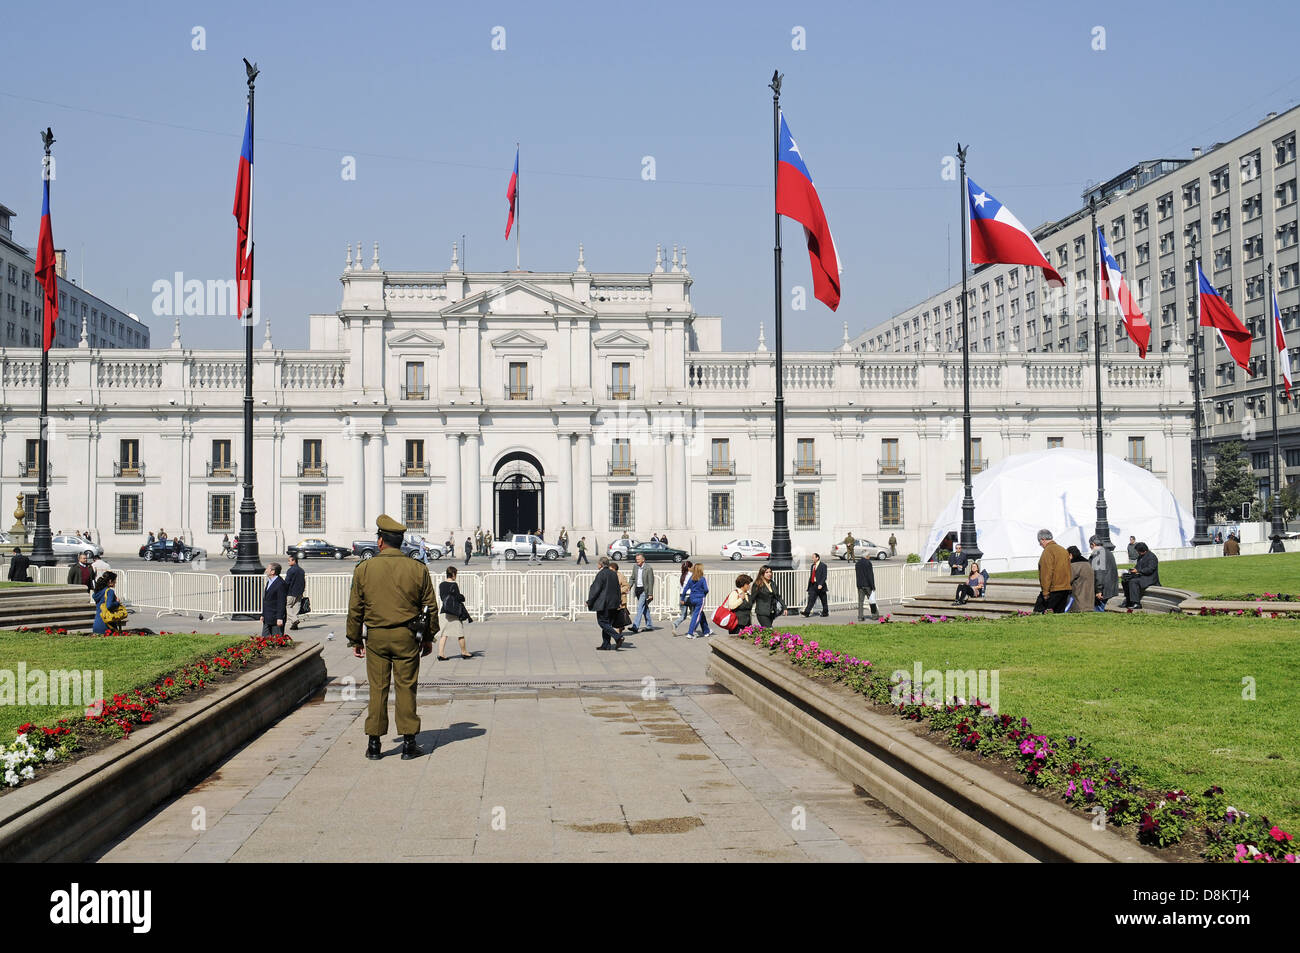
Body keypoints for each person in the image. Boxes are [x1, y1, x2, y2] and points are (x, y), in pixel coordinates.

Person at [348, 514, 440, 760]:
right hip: (407, 637)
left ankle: (375, 744)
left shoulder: (364, 568)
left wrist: (355, 639)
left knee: (377, 689)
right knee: (406, 687)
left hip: (377, 637)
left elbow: (355, 608)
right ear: (400, 543)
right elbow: (430, 605)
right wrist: (429, 636)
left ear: (380, 543)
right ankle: (409, 743)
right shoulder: (417, 568)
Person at [586, 556, 624, 651]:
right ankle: (606, 645)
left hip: (604, 604)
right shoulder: (613, 574)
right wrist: (619, 601)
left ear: (601, 564)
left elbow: (596, 589)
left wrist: (589, 601)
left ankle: (618, 637)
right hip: (613, 603)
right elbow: (617, 588)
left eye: (598, 563)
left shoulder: (601, 574)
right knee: (607, 624)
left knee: (602, 622)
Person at [437, 565, 472, 660]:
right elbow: (457, 598)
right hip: (454, 613)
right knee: (460, 633)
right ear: (453, 574)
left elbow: (442, 597)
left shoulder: (441, 584)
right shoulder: (454, 584)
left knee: (444, 634)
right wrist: (462, 597)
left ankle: (441, 654)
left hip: (444, 611)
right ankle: (464, 652)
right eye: (455, 574)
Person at [1033, 529, 1072, 614]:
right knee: (1059, 615)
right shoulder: (1063, 550)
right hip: (1065, 588)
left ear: (1043, 539)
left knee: (1038, 613)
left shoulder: (1048, 551)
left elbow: (1046, 573)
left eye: (1040, 542)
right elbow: (1069, 569)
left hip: (1053, 589)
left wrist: (1045, 592)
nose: (1040, 544)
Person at [1121, 543, 1161, 609]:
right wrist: (1134, 570)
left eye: (1138, 551)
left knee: (1133, 582)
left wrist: (1138, 571)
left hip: (1150, 578)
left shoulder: (1152, 557)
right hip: (1141, 575)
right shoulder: (1140, 556)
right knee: (1125, 580)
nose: (1137, 552)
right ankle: (1128, 600)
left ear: (1144, 551)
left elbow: (1150, 570)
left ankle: (1136, 603)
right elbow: (1138, 567)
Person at [1088, 535, 1119, 608]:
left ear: (1093, 544)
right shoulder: (1107, 552)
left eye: (1090, 545)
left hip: (1103, 589)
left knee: (1098, 611)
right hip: (1109, 587)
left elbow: (1099, 574)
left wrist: (1099, 590)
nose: (1090, 547)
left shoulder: (1098, 553)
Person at [629, 553, 656, 633]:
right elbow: (632, 578)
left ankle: (635, 626)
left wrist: (650, 593)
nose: (637, 561)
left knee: (640, 607)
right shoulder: (635, 567)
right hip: (638, 589)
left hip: (645, 590)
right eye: (636, 559)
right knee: (645, 608)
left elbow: (651, 581)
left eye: (638, 559)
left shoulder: (648, 568)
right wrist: (629, 586)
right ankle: (649, 625)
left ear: (643, 560)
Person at [683, 562, 711, 638]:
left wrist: (682, 598)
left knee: (700, 614)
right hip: (700, 598)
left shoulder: (691, 578)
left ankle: (706, 631)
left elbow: (685, 589)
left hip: (692, 598)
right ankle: (690, 632)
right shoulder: (702, 579)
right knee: (697, 615)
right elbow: (706, 589)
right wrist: (704, 595)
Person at [260, 563, 287, 636]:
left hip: (276, 618)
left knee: (276, 640)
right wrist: (263, 614)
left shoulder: (281, 583)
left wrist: (280, 618)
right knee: (264, 639)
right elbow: (266, 600)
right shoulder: (269, 582)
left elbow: (281, 602)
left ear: (273, 572)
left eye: (268, 569)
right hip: (267, 616)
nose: (266, 570)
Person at [1066, 546, 1095, 613]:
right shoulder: (1088, 564)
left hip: (1078, 600)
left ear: (1070, 555)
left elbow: (1067, 580)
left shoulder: (1073, 566)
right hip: (1090, 600)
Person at [671, 560, 695, 634]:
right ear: (689, 567)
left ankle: (675, 624)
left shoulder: (682, 575)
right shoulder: (692, 575)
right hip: (690, 596)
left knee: (683, 615)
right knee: (694, 614)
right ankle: (692, 630)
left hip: (682, 596)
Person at [801, 553, 828, 617]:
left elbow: (824, 576)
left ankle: (825, 612)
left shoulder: (823, 565)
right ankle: (807, 612)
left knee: (824, 600)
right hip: (813, 585)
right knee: (811, 599)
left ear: (817, 558)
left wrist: (821, 584)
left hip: (820, 586)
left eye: (813, 557)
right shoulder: (812, 566)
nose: (812, 559)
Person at [284, 554, 306, 631]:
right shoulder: (301, 570)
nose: (288, 562)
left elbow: (287, 582)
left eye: (289, 561)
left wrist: (284, 591)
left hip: (291, 592)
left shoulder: (290, 570)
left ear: (294, 560)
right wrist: (302, 591)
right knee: (296, 608)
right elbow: (303, 582)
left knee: (287, 606)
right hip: (299, 593)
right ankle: (294, 625)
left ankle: (294, 620)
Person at [856, 552, 879, 619]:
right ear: (866, 556)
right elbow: (870, 575)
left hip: (860, 585)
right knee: (872, 600)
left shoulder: (857, 563)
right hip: (867, 585)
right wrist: (873, 586)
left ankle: (860, 616)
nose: (869, 557)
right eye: (869, 555)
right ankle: (875, 615)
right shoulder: (868, 563)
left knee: (860, 602)